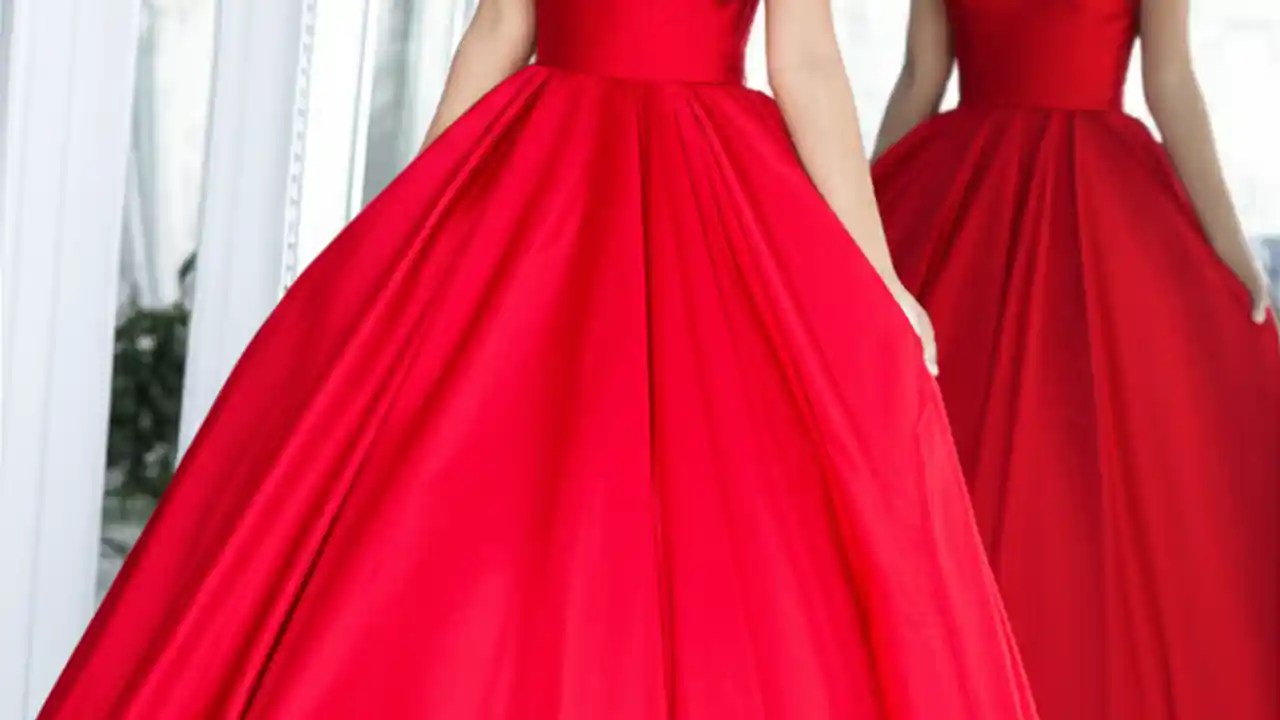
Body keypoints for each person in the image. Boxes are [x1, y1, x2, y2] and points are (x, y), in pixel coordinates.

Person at [41, 1, 1037, 717]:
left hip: (671, 191)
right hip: (564, 178)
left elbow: (804, 62)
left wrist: (873, 276)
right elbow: (503, 23)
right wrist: (410, 229)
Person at [872, 0, 1280, 718]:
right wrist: (859, 232)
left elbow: (1173, 83)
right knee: (954, 449)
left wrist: (1232, 248)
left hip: (1099, 211)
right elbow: (919, 76)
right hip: (971, 200)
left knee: (1086, 454)